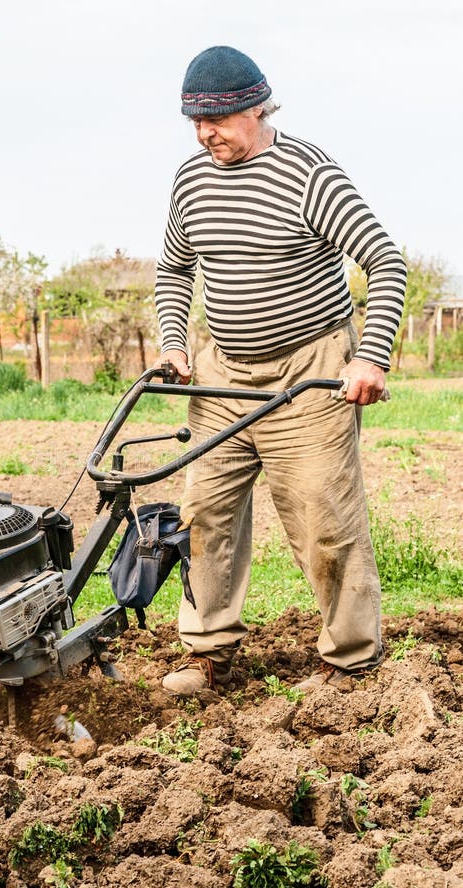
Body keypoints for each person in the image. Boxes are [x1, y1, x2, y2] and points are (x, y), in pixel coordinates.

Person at [155, 45, 407, 697]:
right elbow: (175, 267)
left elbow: (385, 261)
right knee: (202, 513)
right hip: (223, 372)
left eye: (221, 119)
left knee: (324, 517)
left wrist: (370, 355)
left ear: (259, 106)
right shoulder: (191, 179)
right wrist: (175, 342)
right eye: (196, 123)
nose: (208, 133)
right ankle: (206, 651)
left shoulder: (309, 173)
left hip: (311, 369)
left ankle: (350, 663)